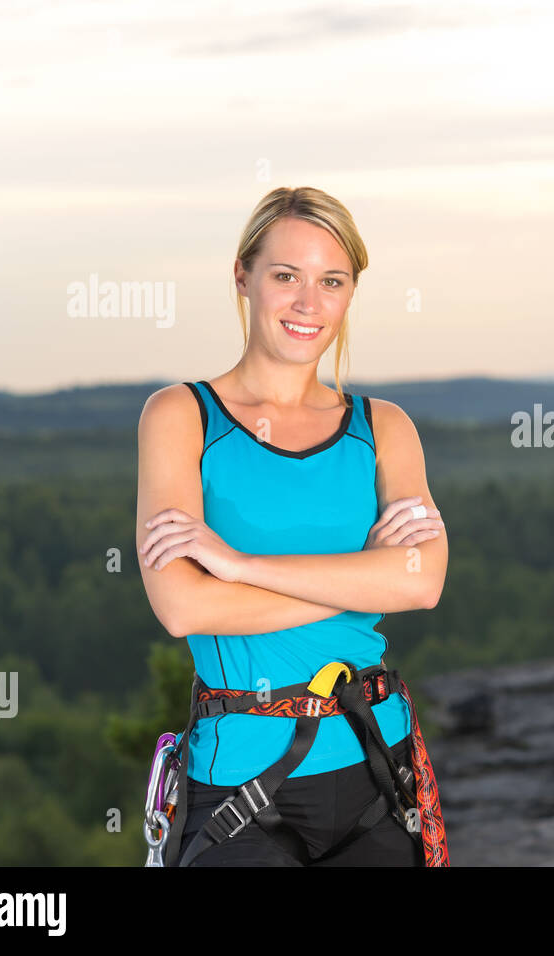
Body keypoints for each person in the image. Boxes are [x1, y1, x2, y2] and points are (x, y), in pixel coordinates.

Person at [135, 186, 447, 866]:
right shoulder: (181, 417)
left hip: (374, 772)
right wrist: (365, 576)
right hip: (238, 787)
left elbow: (422, 582)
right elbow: (183, 605)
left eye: (331, 281)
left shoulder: (384, 428)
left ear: (349, 294)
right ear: (243, 277)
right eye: (286, 276)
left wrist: (240, 565)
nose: (308, 303)